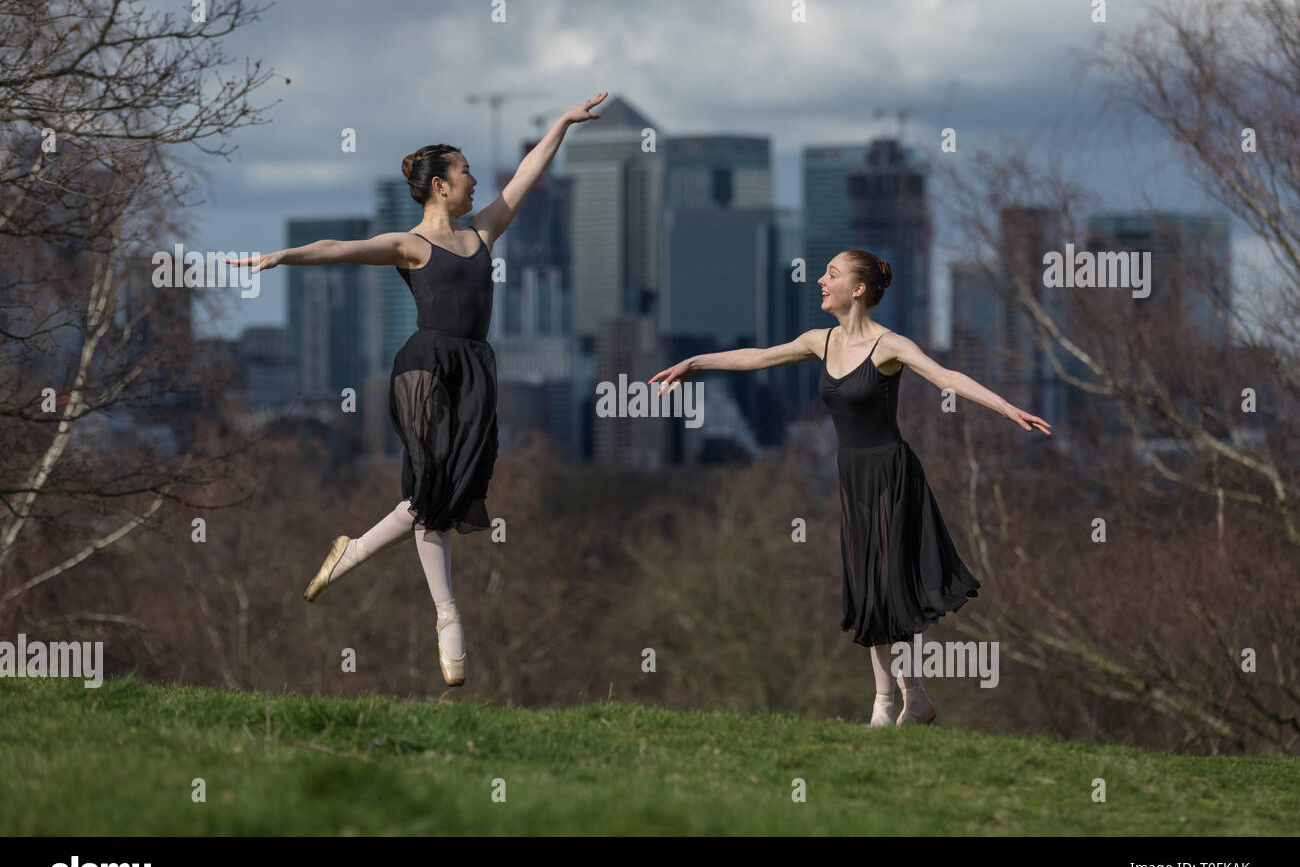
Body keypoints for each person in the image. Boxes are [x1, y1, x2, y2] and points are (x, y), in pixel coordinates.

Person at [226, 92, 608, 687]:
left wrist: (561, 123)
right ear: (439, 186)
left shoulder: (484, 233)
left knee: (455, 489)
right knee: (430, 484)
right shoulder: (412, 246)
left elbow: (530, 173)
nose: (475, 179)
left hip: (477, 370)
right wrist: (282, 257)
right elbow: (339, 249)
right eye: (464, 172)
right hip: (426, 367)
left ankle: (353, 551)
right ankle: (447, 616)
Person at [650, 250, 1050, 725]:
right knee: (869, 588)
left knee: (885, 585)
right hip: (852, 479)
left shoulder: (889, 346)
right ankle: (913, 697)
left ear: (857, 290)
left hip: (891, 474)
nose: (820, 280)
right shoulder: (820, 341)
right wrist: (696, 361)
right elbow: (758, 357)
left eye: (831, 275)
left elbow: (946, 377)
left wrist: (1007, 408)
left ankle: (886, 706)